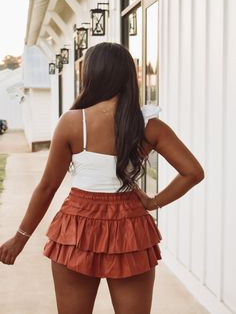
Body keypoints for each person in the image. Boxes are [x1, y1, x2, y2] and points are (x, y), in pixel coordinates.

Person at [0, 42, 204, 314]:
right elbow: (193, 172)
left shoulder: (73, 122)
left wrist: (20, 239)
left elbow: (47, 187)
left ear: (93, 76)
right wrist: (153, 202)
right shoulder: (148, 124)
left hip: (77, 228)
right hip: (130, 229)